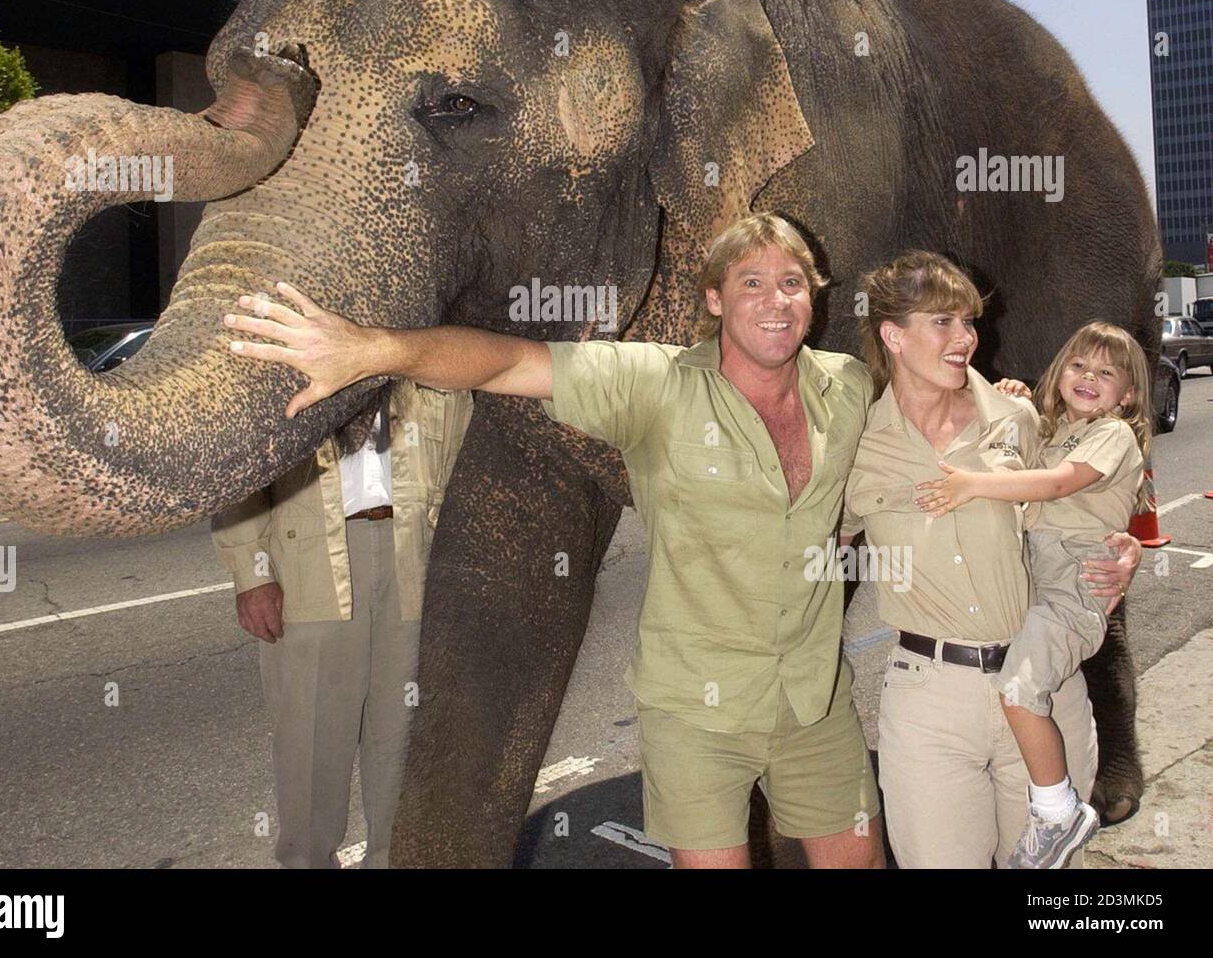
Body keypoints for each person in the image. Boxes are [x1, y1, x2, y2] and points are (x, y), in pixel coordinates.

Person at [221, 214, 884, 869]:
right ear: (715, 298)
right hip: (699, 712)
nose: (776, 301)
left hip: (814, 699)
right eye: (752, 283)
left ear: (815, 293)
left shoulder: (846, 387)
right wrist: (375, 349)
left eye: (792, 282)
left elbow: (910, 436)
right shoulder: (656, 385)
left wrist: (988, 404)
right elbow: (507, 363)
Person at [841, 252, 1141, 869]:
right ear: (893, 335)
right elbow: (822, 547)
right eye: (943, 323)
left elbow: (1075, 502)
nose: (965, 339)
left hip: (1042, 687)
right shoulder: (858, 439)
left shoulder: (1020, 417)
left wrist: (1125, 547)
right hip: (930, 701)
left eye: (969, 322)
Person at [913, 321, 1148, 868]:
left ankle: (1056, 808)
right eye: (1078, 366)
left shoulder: (1112, 434)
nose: (1089, 378)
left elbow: (1058, 483)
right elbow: (1023, 449)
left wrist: (970, 485)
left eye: (1106, 373)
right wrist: (1011, 397)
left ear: (1129, 394)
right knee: (1019, 684)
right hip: (1040, 574)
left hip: (1073, 579)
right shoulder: (1056, 426)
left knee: (1019, 689)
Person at [212, 374, 472, 868]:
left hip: (415, 554)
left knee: (404, 746)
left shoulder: (427, 346)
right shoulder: (290, 354)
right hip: (309, 564)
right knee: (310, 749)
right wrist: (252, 572)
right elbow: (239, 469)